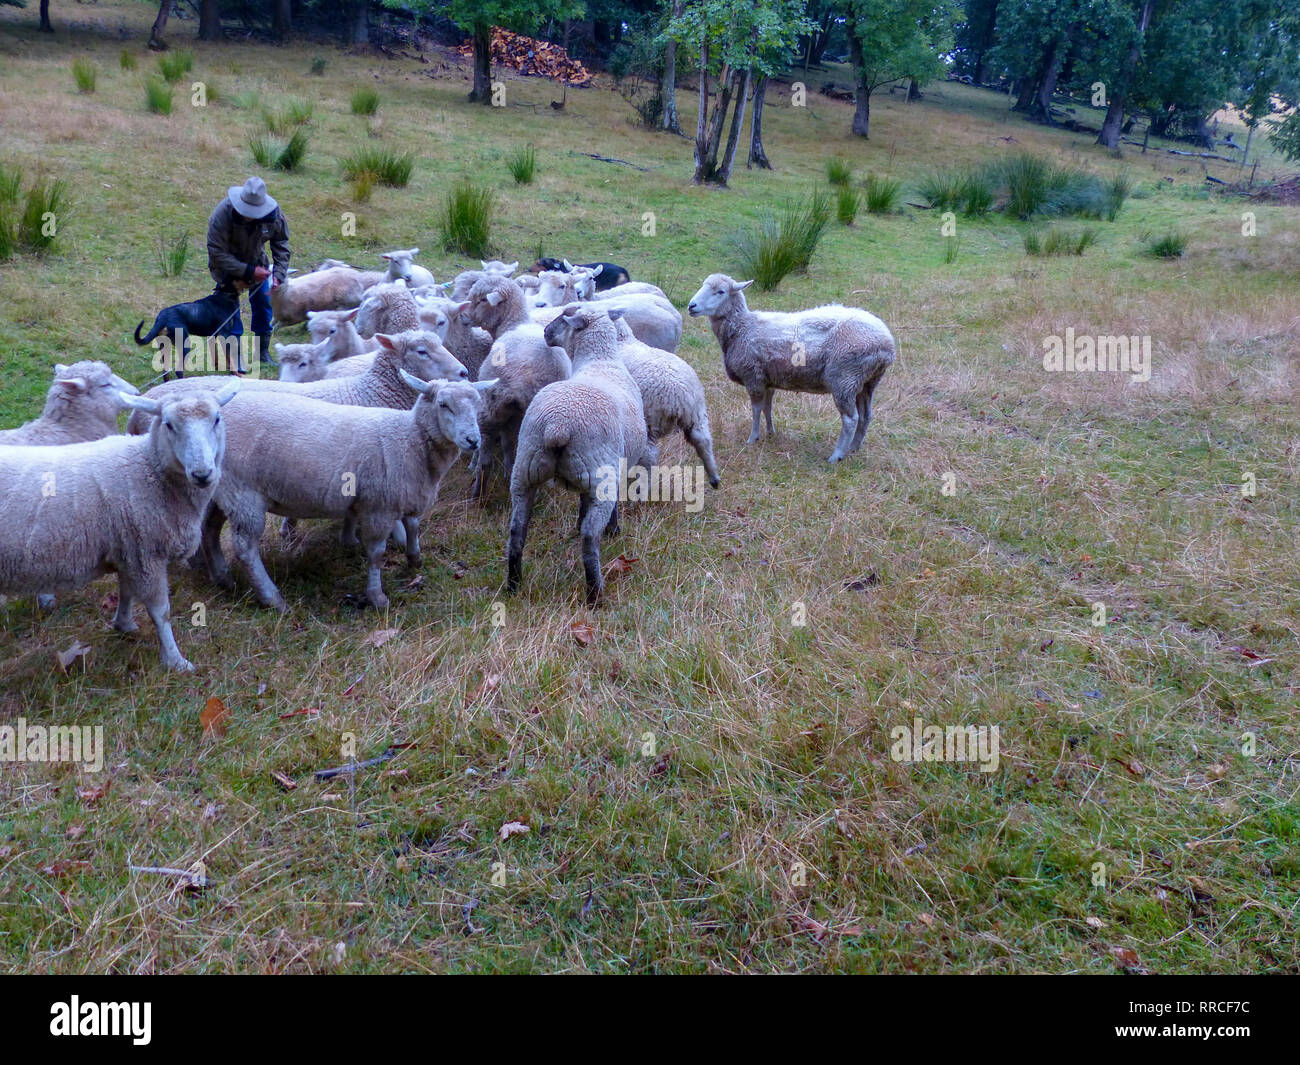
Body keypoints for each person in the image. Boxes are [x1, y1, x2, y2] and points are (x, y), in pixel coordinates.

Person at [206, 176, 290, 369]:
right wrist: (248, 271)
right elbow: (216, 251)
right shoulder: (222, 214)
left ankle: (262, 352)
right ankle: (236, 361)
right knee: (230, 312)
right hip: (226, 269)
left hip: (258, 265)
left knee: (263, 305)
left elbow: (281, 243)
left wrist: (278, 275)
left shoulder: (274, 215)